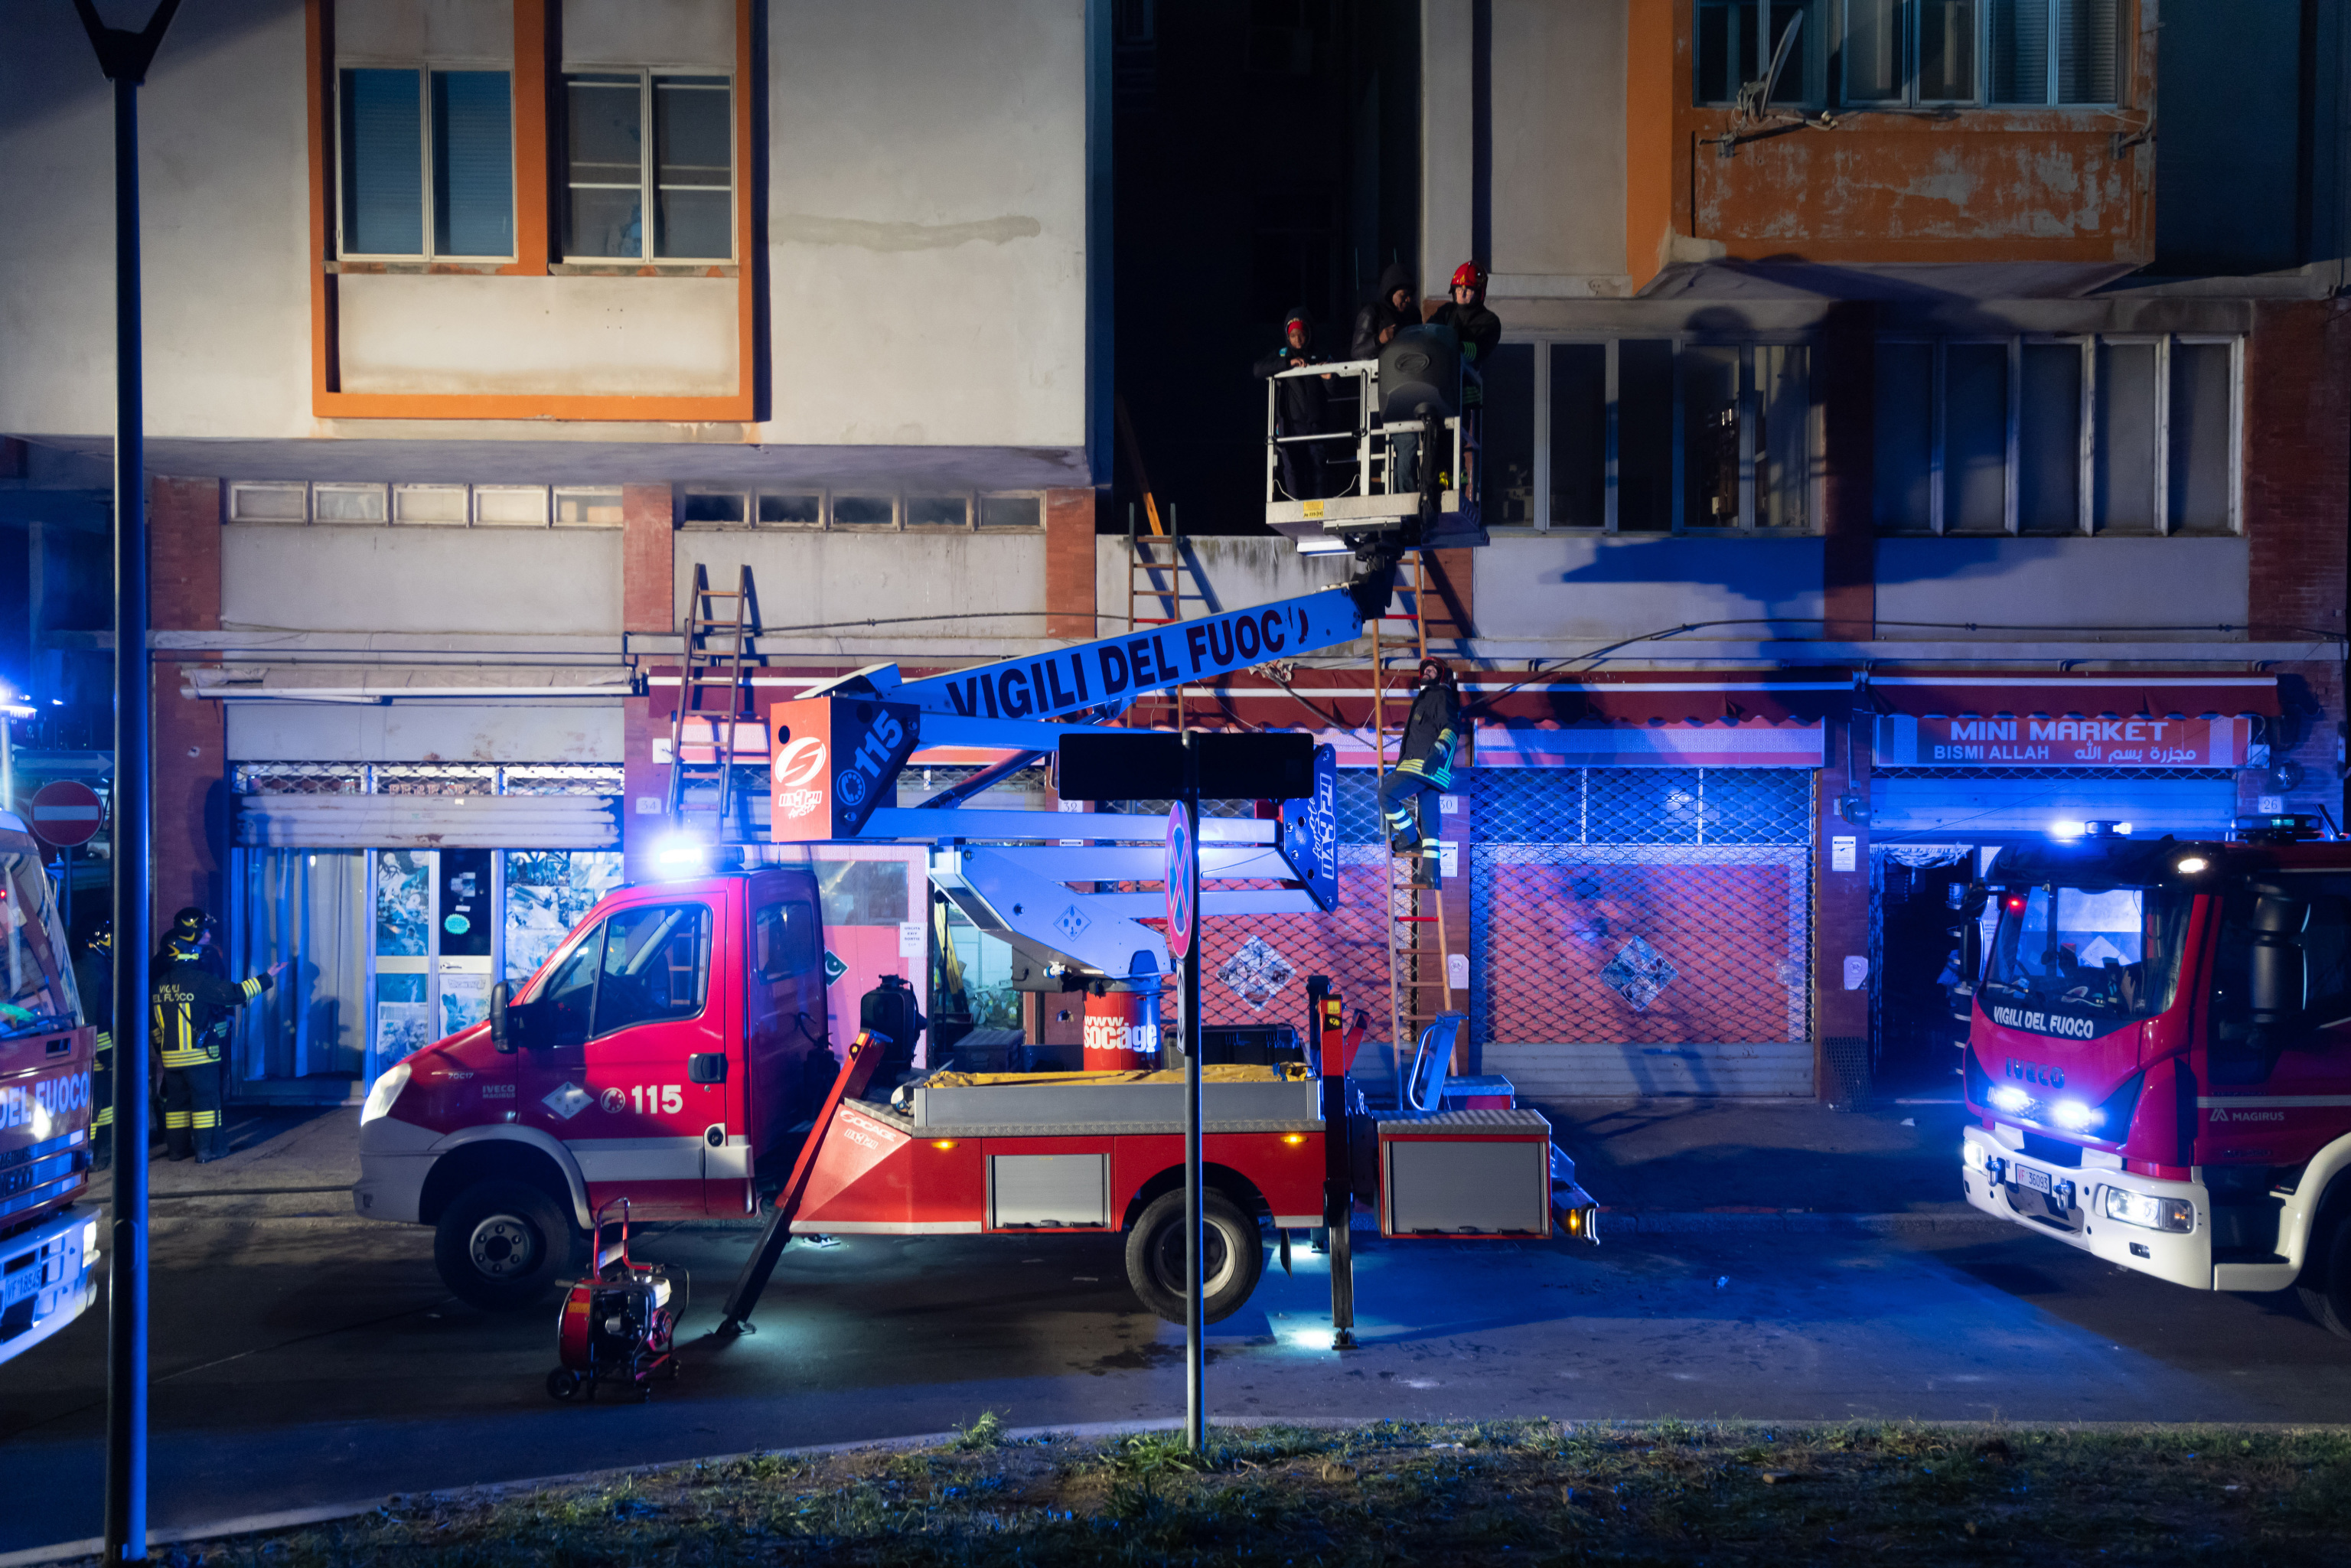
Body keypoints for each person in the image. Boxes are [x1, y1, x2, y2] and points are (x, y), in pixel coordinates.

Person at [152, 906, 282, 1162]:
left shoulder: (158, 984)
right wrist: (267, 977)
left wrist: (161, 1049)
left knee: (176, 1106)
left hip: (171, 1057)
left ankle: (177, 1151)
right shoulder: (199, 980)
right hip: (200, 1057)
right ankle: (207, 1150)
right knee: (206, 1104)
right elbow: (234, 993)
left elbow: (154, 1024)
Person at [1379, 660, 1465, 888]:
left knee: (1386, 795)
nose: (1427, 672)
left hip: (1421, 765)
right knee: (1429, 825)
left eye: (1432, 671)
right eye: (1425, 670)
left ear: (1440, 677)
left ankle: (1408, 836)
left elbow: (1451, 726)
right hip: (1433, 773)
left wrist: (1438, 751)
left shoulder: (1440, 696)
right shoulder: (1428, 697)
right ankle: (1431, 875)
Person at [1427, 262, 1502, 510]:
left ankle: (1455, 487)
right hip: (1436, 389)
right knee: (1432, 440)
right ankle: (1434, 483)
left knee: (1454, 443)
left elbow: (1477, 351)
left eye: (1468, 289)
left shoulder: (1489, 321)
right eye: (1458, 288)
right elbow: (1426, 335)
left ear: (1479, 293)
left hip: (1462, 394)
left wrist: (1451, 344)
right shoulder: (1444, 313)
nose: (1462, 293)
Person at [1254, 305, 1333, 501]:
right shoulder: (1282, 355)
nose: (1297, 339)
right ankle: (1297, 511)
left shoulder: (1322, 356)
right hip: (1291, 427)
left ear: (1309, 333)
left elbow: (1335, 390)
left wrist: (1328, 377)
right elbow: (1257, 370)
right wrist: (1288, 364)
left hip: (1315, 425)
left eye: (1301, 334)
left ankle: (1317, 515)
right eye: (1293, 335)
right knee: (1292, 469)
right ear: (1287, 337)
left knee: (1318, 469)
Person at [72, 919, 114, 1170]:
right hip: (96, 1052)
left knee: (89, 1106)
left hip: (82, 1052)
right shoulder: (95, 971)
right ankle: (99, 1156)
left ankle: (94, 1154)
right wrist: (106, 1053)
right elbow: (93, 1018)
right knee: (102, 1107)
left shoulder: (81, 967)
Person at [1349, 262, 1417, 361]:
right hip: (1381, 374)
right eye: (1403, 295)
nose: (1408, 300)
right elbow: (1356, 353)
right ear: (1390, 293)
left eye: (1410, 295)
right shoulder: (1372, 313)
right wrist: (1379, 340)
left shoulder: (1413, 315)